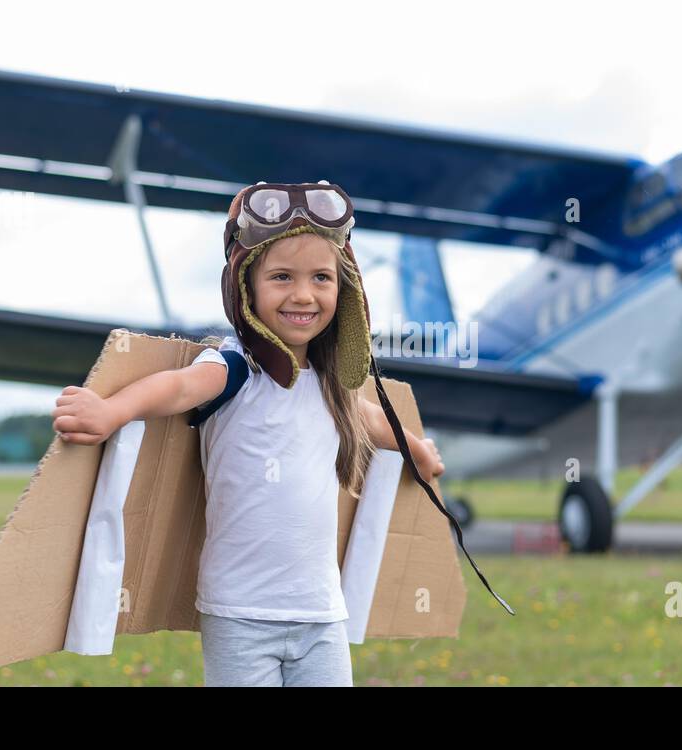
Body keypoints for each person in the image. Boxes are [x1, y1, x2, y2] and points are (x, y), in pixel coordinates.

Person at [51, 181, 446, 686]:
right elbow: (175, 388)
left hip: (322, 614)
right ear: (246, 286)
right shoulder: (235, 368)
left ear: (344, 292)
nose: (303, 294)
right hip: (239, 612)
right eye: (282, 276)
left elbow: (375, 424)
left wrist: (420, 452)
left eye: (321, 278)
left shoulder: (331, 387)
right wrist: (109, 412)